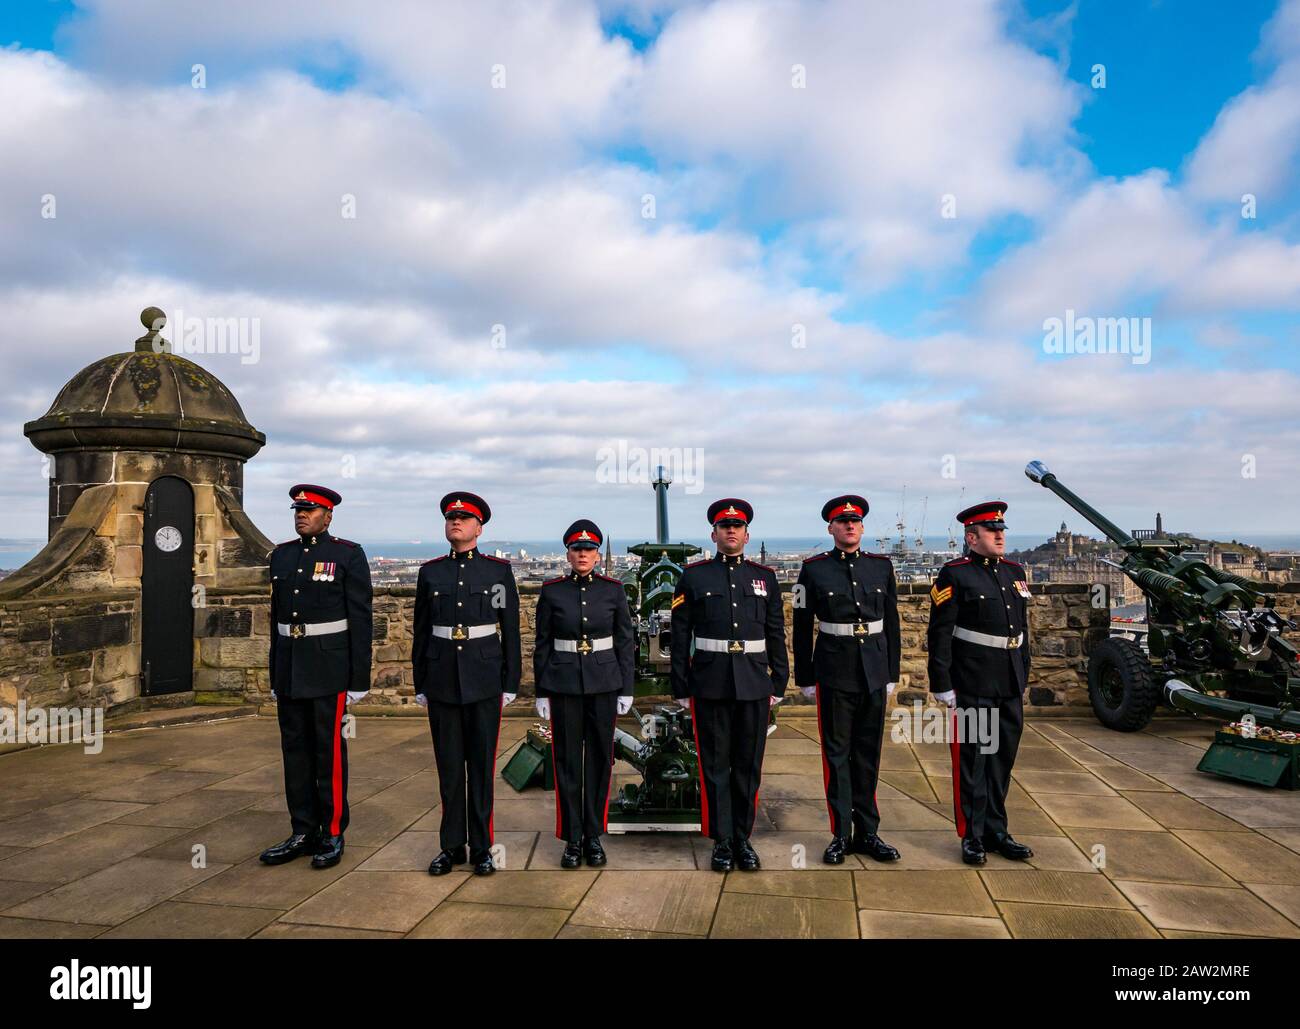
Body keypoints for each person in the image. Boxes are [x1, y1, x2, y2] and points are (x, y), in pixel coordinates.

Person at [670, 498, 788, 872]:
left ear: (747, 535)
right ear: (714, 534)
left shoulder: (764, 578)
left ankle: (743, 838)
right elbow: (680, 633)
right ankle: (721, 840)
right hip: (710, 682)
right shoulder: (694, 577)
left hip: (754, 682)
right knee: (716, 765)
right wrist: (681, 686)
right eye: (724, 527)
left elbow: (774, 633)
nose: (731, 531)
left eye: (736, 527)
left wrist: (780, 680)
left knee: (748, 765)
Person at [260, 484, 372, 870]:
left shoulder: (346, 555)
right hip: (291, 667)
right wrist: (276, 673)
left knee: (329, 753)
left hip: (329, 669)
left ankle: (333, 831)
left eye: (309, 510)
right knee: (295, 752)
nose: (301, 515)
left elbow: (360, 619)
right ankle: (302, 830)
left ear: (328, 515)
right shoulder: (282, 556)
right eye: (298, 510)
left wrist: (359, 679)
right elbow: (277, 620)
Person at [412, 492, 521, 876]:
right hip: (442, 679)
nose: (455, 522)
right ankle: (451, 846)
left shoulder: (497, 572)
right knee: (448, 769)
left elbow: (510, 630)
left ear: (479, 528)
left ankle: (482, 847)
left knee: (481, 768)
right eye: (451, 518)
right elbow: (421, 632)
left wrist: (511, 682)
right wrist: (419, 680)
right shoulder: (431, 573)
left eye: (464, 518)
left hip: (484, 679)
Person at [793, 494, 902, 865]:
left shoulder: (881, 567)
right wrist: (805, 676)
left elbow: (892, 624)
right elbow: (802, 624)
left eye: (855, 521)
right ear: (831, 528)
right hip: (834, 670)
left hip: (873, 669)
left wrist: (891, 671)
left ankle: (868, 833)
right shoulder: (812, 570)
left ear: (862, 527)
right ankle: (840, 834)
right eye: (842, 522)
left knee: (868, 754)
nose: (849, 526)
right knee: (837, 756)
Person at [927, 500, 1034, 866]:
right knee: (974, 761)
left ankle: (997, 831)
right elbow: (940, 634)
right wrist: (942, 683)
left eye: (1002, 530)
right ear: (972, 537)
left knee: (1002, 760)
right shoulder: (955, 574)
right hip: (972, 682)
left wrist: (1024, 670)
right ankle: (971, 836)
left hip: (1008, 681)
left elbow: (1022, 629)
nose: (1000, 535)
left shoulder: (1015, 572)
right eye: (992, 531)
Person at [534, 519, 635, 868]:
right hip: (562, 686)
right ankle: (571, 838)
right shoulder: (552, 591)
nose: (583, 554)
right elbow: (543, 644)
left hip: (604, 685)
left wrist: (627, 688)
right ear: (568, 553)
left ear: (596, 555)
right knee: (566, 763)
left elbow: (625, 642)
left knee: (599, 762)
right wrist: (541, 692)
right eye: (577, 549)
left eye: (589, 549)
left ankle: (594, 836)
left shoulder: (613, 590)